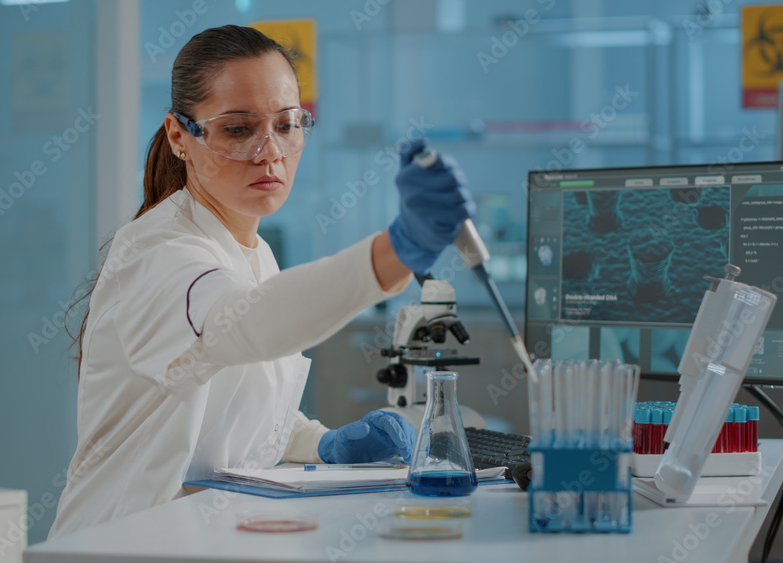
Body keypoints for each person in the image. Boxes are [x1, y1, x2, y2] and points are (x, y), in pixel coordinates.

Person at [48, 24, 474, 539]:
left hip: (211, 536)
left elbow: (231, 413)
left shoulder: (255, 253)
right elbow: (244, 326)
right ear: (180, 135)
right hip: (120, 542)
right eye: (238, 129)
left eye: (287, 124)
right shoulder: (157, 253)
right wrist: (394, 251)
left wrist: (320, 443)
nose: (270, 151)